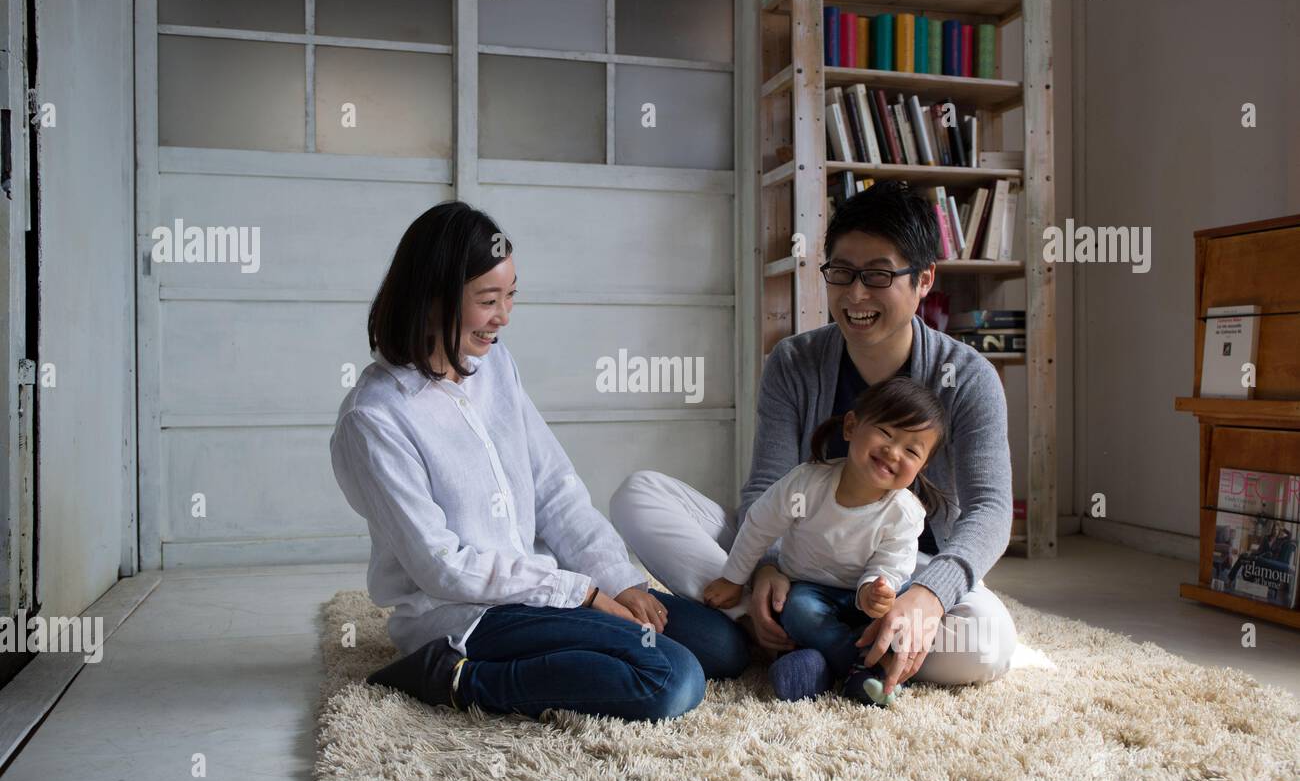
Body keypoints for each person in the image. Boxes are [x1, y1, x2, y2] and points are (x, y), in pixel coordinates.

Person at [330, 201, 748, 722]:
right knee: (671, 678)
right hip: (467, 614)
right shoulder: (375, 419)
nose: (504, 317)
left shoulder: (493, 365)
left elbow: (554, 488)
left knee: (724, 648)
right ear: (433, 300)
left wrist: (618, 580)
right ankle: (453, 677)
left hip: (541, 590)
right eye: (488, 300)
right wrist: (583, 592)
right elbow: (441, 567)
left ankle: (577, 647)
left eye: (511, 296)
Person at [611, 180, 1019, 700]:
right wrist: (766, 569)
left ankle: (782, 641)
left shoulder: (968, 376)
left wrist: (927, 596)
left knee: (987, 644)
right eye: (842, 273)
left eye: (877, 276)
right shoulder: (794, 361)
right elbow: (767, 486)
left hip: (898, 572)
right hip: (798, 553)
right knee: (638, 495)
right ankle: (819, 637)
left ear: (923, 281)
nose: (855, 295)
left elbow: (990, 509)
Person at [702, 377, 952, 707]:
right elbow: (759, 526)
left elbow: (891, 563)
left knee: (905, 617)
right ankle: (863, 668)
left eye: (910, 450)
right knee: (798, 611)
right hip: (810, 589)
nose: (892, 452)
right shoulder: (806, 484)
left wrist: (875, 592)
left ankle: (821, 666)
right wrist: (734, 578)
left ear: (922, 465)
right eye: (886, 434)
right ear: (851, 426)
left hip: (865, 599)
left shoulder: (904, 512)